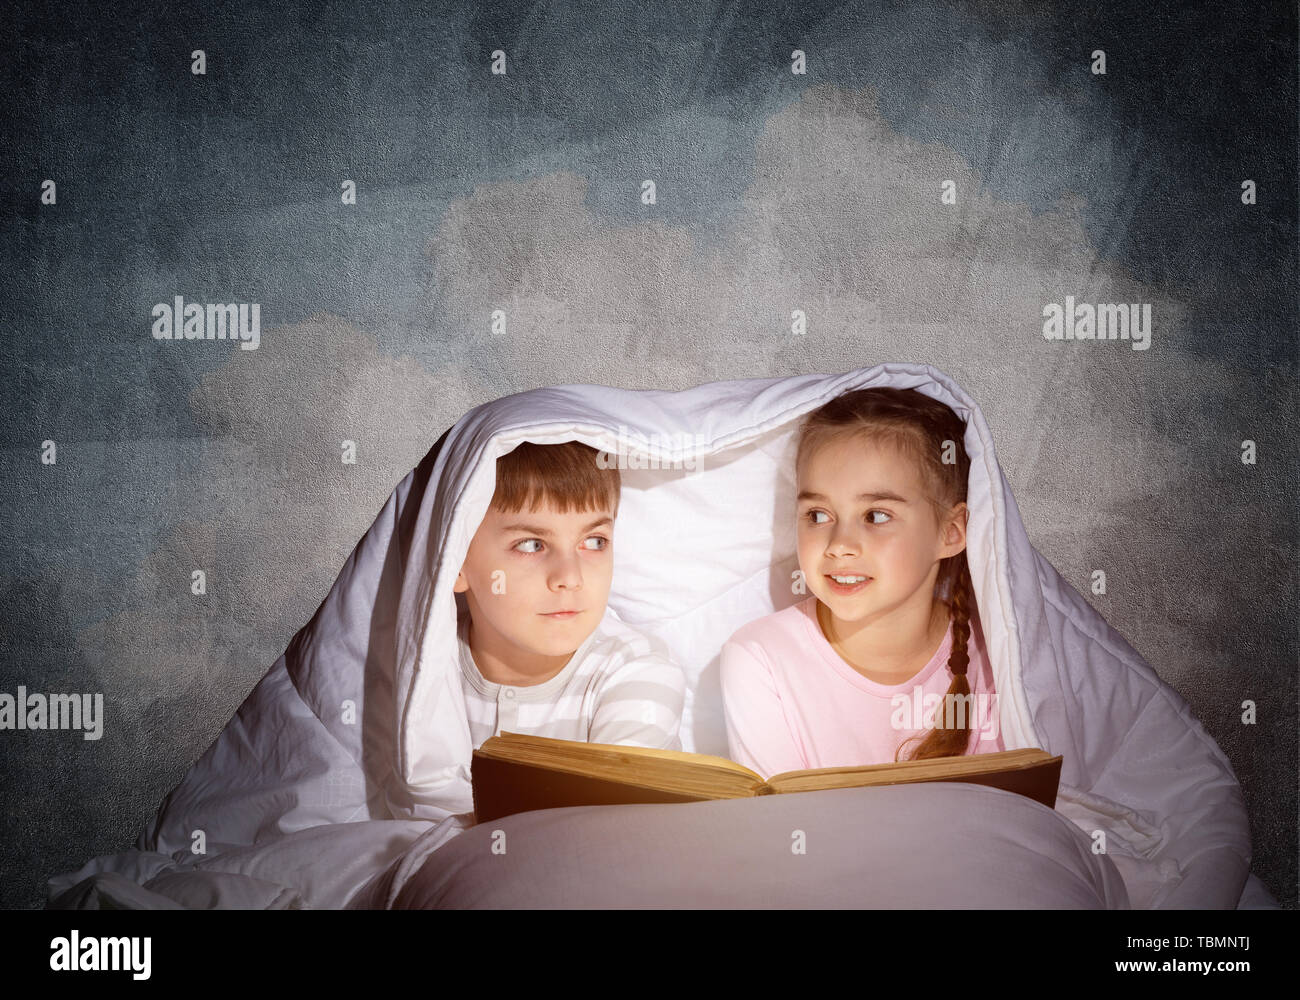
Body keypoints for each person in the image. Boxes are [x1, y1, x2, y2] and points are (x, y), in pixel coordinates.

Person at [720, 387, 1004, 779]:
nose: (839, 546)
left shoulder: (997, 658)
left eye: (875, 516)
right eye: (818, 515)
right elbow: (781, 825)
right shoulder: (760, 658)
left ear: (951, 532)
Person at [454, 440, 685, 750]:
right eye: (531, 545)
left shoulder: (638, 673)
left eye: (594, 542)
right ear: (454, 559)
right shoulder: (417, 665)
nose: (570, 578)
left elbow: (612, 798)